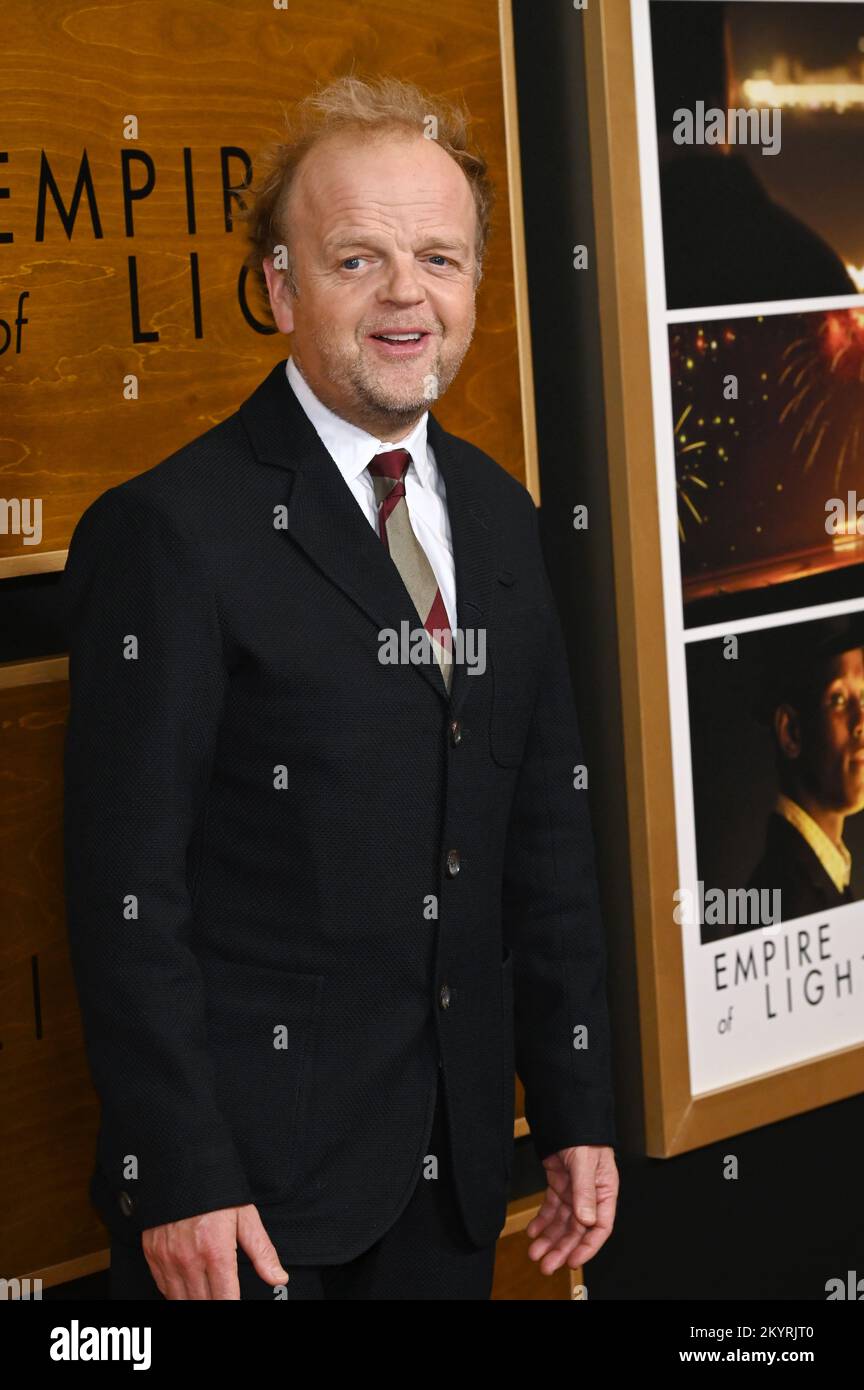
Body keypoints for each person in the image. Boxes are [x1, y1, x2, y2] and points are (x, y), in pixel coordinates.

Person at [61, 75, 618, 1301]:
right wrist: (182, 1171)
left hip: (453, 1175)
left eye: (439, 256)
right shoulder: (169, 535)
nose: (406, 293)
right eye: (356, 258)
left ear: (476, 283)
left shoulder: (503, 520)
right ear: (278, 289)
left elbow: (546, 841)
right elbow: (124, 894)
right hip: (248, 1206)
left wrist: (575, 1101)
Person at [743, 614, 864, 929]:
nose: (861, 722)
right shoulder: (786, 898)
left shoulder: (822, 877)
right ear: (792, 732)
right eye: (838, 700)